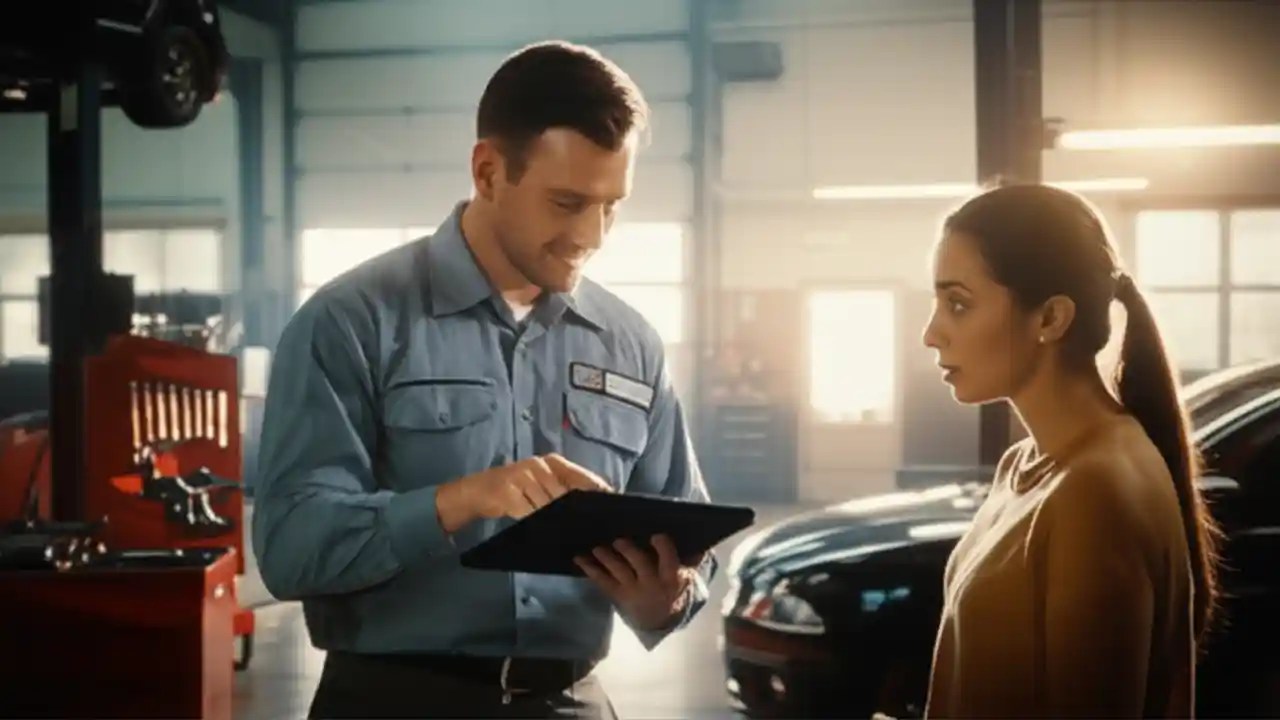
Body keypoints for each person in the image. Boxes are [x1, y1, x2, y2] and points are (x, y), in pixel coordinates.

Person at [252, 40, 717, 719]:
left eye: (612, 205)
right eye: (566, 202)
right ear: (488, 170)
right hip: (392, 702)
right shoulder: (350, 322)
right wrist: (461, 500)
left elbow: (685, 535)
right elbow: (291, 549)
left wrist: (667, 599)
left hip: (573, 700)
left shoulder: (631, 343)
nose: (592, 234)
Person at [919, 184, 1220, 718]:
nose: (931, 333)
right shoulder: (1025, 465)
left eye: (958, 304)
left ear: (1051, 319)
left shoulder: (1097, 491)